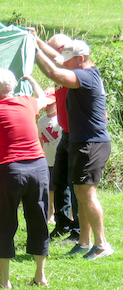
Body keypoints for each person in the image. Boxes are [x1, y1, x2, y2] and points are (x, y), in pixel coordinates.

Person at [34, 39, 114, 259]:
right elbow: (57, 60)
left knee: (87, 195)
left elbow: (53, 73)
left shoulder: (86, 77)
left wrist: (33, 51)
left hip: (91, 143)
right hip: (83, 141)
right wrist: (38, 42)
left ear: (80, 58)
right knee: (81, 193)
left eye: (69, 61)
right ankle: (85, 241)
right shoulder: (81, 68)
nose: (64, 64)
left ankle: (102, 244)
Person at [0, 69, 51, 288]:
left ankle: (4, 281)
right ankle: (40, 277)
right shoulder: (27, 102)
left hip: (10, 170)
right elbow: (44, 99)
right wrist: (32, 81)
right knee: (39, 218)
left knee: (5, 221)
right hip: (39, 168)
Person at [30, 31, 79, 239]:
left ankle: (78, 229)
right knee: (59, 181)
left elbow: (52, 65)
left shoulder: (73, 71)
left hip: (79, 134)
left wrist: (35, 48)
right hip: (67, 134)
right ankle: (62, 225)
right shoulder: (63, 65)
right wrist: (37, 42)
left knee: (76, 183)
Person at [36, 87, 62, 223]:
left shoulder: (62, 119)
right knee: (49, 189)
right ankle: (50, 214)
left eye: (51, 103)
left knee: (62, 188)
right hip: (47, 161)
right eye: (46, 103)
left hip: (60, 160)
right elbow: (39, 141)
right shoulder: (41, 121)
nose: (48, 106)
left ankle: (66, 214)